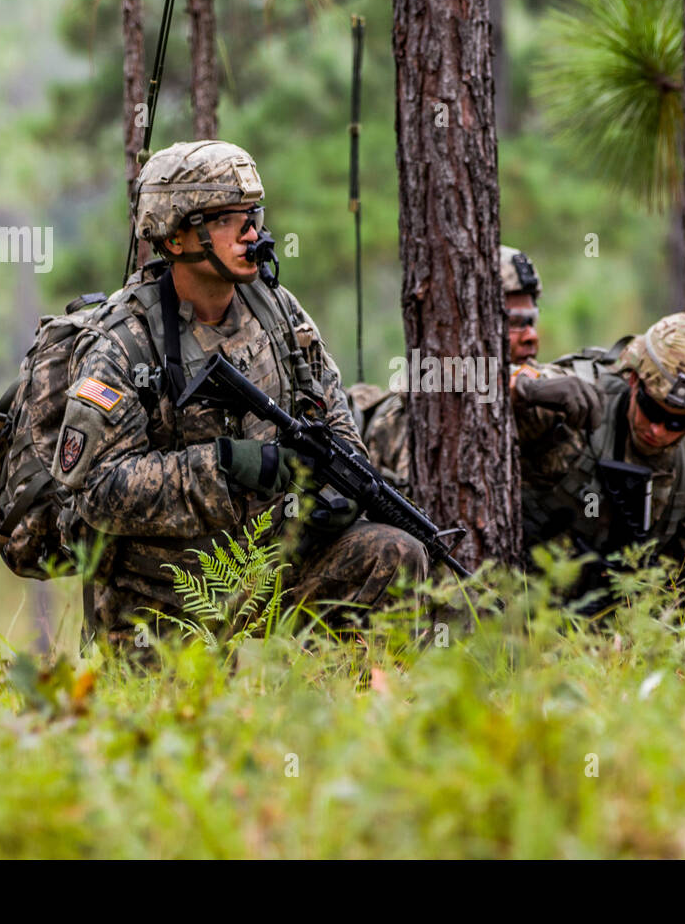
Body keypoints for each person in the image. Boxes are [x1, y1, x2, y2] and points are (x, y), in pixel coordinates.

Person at [50, 140, 427, 645]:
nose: (252, 232)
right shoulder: (123, 343)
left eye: (254, 214)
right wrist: (227, 464)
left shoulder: (276, 310)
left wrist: (335, 493)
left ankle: (356, 710)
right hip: (160, 598)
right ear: (177, 235)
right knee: (184, 722)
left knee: (396, 553)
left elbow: (333, 414)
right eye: (229, 218)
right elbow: (96, 490)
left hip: (267, 569)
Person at [515, 310, 685, 614]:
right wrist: (520, 391)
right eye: (653, 410)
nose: (658, 430)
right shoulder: (570, 399)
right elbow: (462, 389)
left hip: (619, 636)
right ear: (634, 378)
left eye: (678, 423)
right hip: (514, 606)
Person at [350, 245, 548, 499]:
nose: (531, 336)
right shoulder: (414, 412)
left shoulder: (542, 385)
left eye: (531, 321)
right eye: (512, 323)